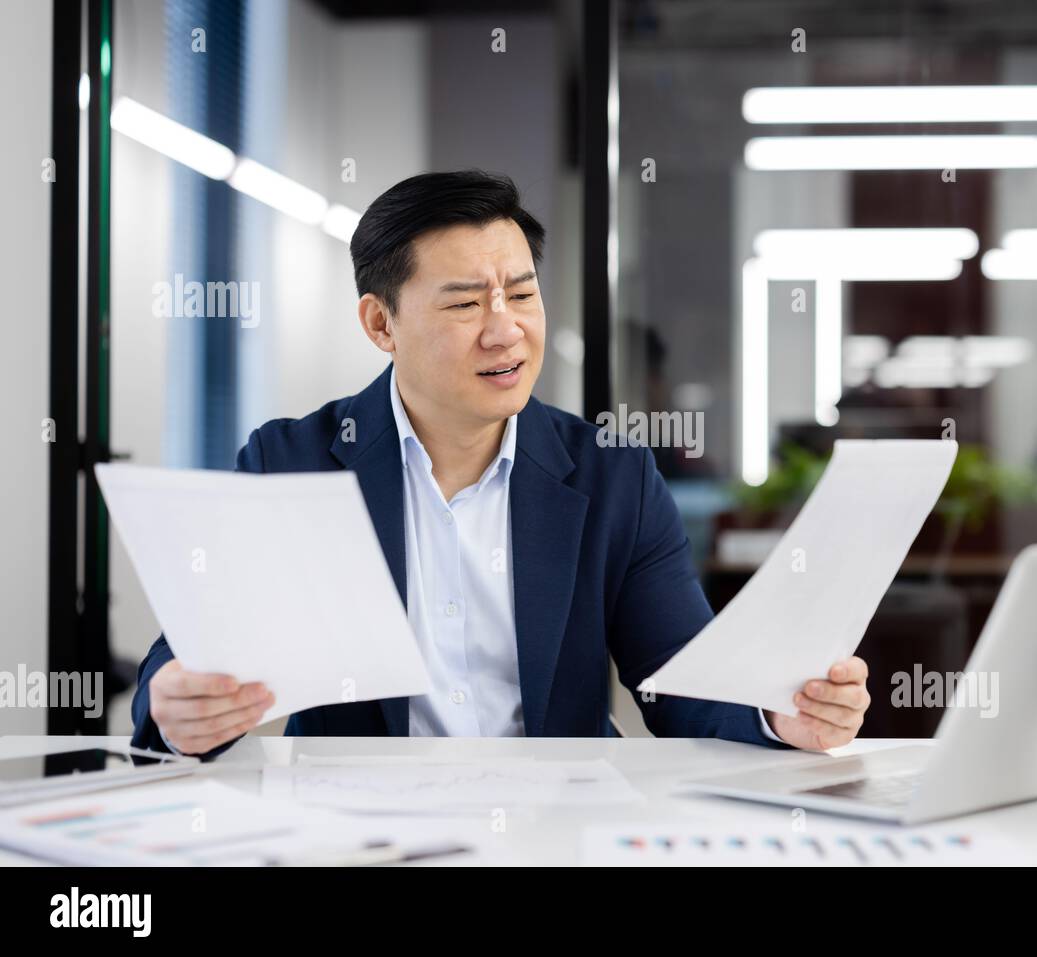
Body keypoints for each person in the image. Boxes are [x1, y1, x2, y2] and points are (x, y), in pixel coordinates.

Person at [131, 170, 870, 759]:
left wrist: (779, 713)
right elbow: (184, 657)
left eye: (521, 293)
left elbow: (680, 680)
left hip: (556, 831)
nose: (506, 329)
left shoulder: (613, 474)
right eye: (464, 305)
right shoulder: (290, 463)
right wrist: (175, 708)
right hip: (356, 831)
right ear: (380, 323)